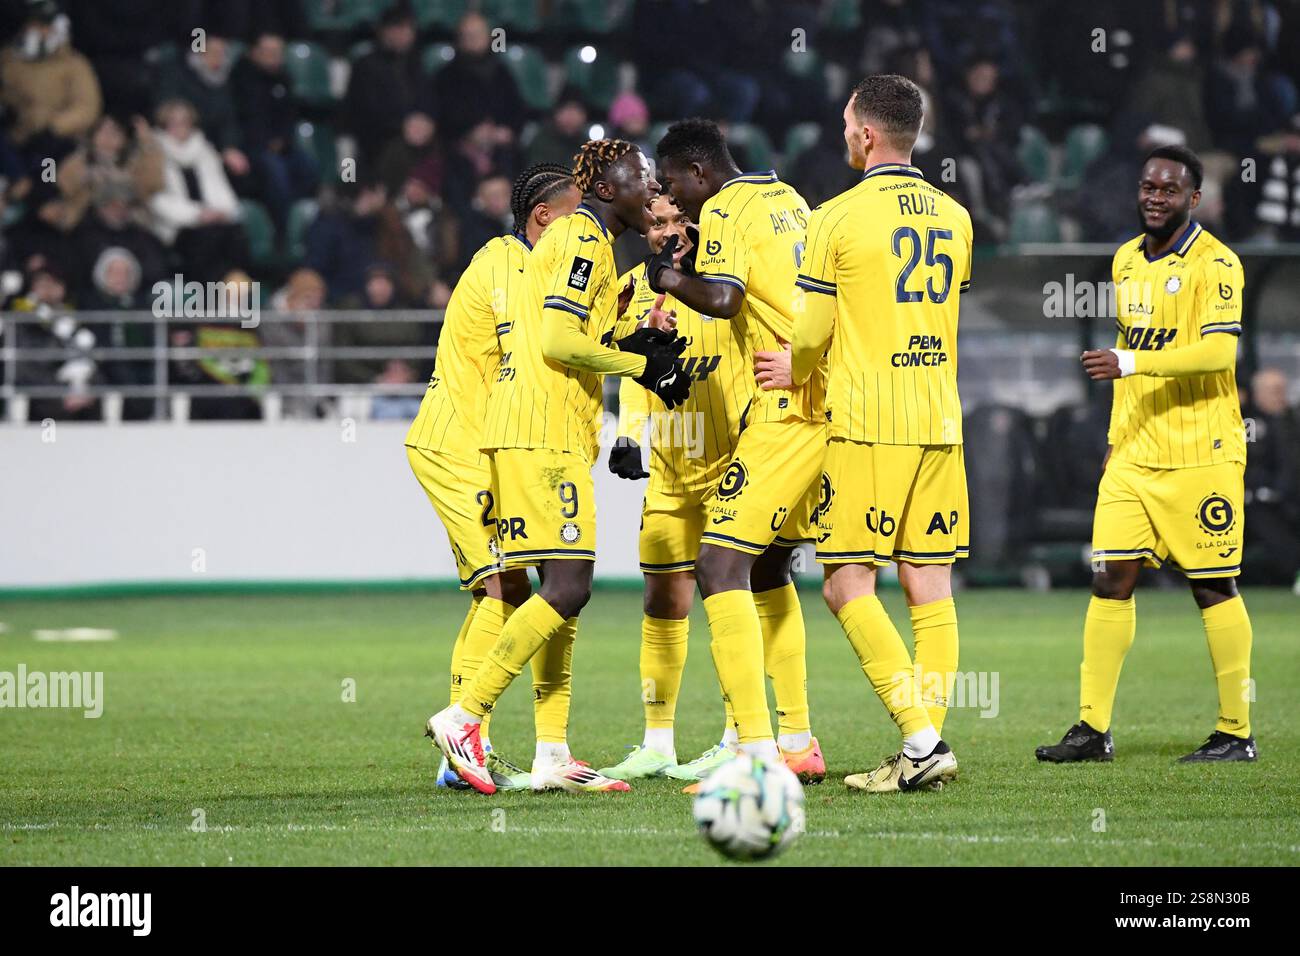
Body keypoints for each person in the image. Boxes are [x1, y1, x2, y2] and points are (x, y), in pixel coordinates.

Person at [425, 139, 690, 795]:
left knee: (561, 593)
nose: (650, 185)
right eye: (640, 176)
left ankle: (552, 752)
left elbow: (578, 334)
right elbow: (555, 339)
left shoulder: (593, 246)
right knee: (568, 586)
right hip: (538, 435)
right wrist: (641, 365)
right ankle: (464, 717)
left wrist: (638, 340)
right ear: (606, 187)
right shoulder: (580, 237)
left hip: (550, 433)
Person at [763, 75, 971, 792]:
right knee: (929, 583)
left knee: (847, 582)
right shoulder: (957, 216)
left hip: (868, 422)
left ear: (866, 135)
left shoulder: (835, 219)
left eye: (847, 122)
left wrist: (792, 365)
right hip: (940, 418)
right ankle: (928, 743)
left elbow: (813, 334)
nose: (844, 132)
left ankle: (919, 741)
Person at [1037, 144, 1257, 764]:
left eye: (1168, 190)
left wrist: (1131, 363)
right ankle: (1092, 729)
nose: (1154, 198)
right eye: (1147, 187)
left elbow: (1217, 355)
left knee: (1213, 586)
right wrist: (1113, 440)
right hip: (1133, 453)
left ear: (1194, 198)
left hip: (1201, 451)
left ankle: (1236, 732)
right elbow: (1126, 341)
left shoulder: (1218, 265)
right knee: (1109, 578)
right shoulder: (1126, 260)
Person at [597, 194, 825, 788]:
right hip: (671, 472)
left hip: (732, 462)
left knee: (753, 586)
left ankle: (741, 735)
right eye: (657, 222)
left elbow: (759, 359)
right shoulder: (635, 289)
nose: (668, 231)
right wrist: (628, 434)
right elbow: (635, 366)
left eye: (679, 220)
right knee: (663, 600)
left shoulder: (723, 286)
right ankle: (656, 742)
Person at [650, 119, 822, 773]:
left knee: (718, 569)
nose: (676, 201)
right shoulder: (787, 197)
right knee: (772, 570)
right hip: (821, 400)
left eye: (673, 185)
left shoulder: (724, 205)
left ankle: (752, 750)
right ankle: (798, 741)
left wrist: (669, 280)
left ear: (698, 174)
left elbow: (723, 299)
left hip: (782, 412)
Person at [407, 164, 580, 792]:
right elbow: (541, 351)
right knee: (501, 591)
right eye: (574, 214)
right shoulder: (505, 264)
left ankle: (473, 747)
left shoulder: (535, 266)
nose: (583, 227)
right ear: (542, 217)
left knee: (510, 586)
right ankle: (462, 741)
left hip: (486, 445)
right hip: (459, 443)